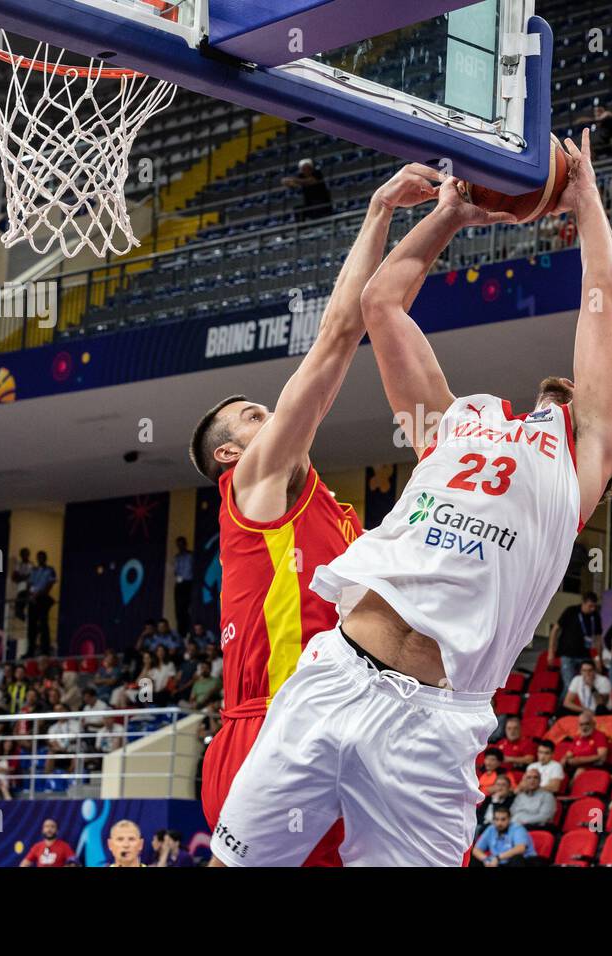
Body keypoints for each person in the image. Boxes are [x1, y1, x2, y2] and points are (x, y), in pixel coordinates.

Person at [212, 131, 612, 867]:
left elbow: (603, 299)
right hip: (336, 673)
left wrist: (586, 204)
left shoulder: (580, 459)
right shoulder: (451, 423)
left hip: (434, 725)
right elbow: (382, 304)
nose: (561, 388)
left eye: (572, 391)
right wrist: (451, 216)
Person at [195, 166, 440, 867]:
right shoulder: (252, 486)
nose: (272, 413)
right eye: (254, 415)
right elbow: (338, 335)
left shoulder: (340, 518)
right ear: (232, 455)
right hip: (269, 723)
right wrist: (380, 210)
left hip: (344, 725)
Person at [550, 592, 603, 698]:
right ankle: (562, 709)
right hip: (567, 654)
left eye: (594, 606)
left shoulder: (595, 616)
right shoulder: (571, 611)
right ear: (583, 603)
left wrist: (598, 658)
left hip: (584, 655)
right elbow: (555, 629)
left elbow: (597, 639)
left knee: (586, 684)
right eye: (590, 606)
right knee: (570, 685)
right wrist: (551, 651)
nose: (592, 609)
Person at [26, 551, 57, 658]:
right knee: (31, 627)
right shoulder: (34, 571)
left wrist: (39, 594)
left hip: (43, 599)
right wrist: (31, 595)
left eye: (43, 557)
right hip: (33, 601)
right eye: (39, 557)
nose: (41, 559)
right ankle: (30, 651)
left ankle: (45, 650)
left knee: (44, 625)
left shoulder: (50, 570)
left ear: (46, 558)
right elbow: (29, 584)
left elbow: (50, 584)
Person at [172, 536, 195, 637]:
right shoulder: (177, 557)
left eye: (181, 544)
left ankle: (187, 631)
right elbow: (176, 571)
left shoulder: (191, 556)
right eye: (178, 545)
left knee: (186, 608)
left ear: (185, 544)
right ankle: (181, 632)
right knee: (179, 609)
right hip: (179, 584)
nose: (180, 546)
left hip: (188, 584)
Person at [11, 547, 33, 621]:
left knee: (24, 609)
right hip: (20, 590)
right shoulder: (18, 565)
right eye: (23, 554)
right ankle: (28, 621)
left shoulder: (31, 565)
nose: (25, 556)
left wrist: (22, 577)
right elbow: (14, 577)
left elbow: (32, 578)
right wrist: (24, 577)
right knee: (18, 611)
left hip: (29, 590)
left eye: (26, 554)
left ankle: (31, 623)